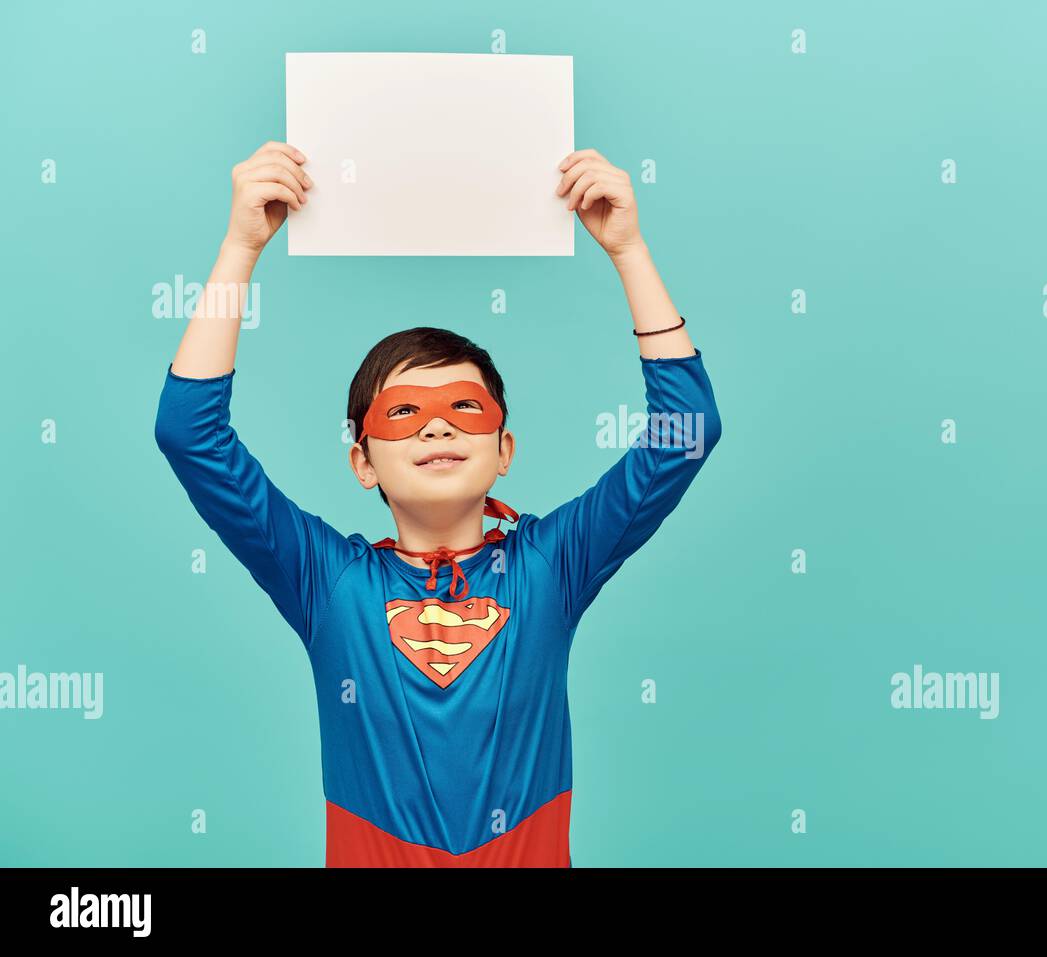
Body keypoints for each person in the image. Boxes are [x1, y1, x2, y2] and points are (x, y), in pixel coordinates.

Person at [153, 140, 722, 866]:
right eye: (403, 412)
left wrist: (629, 250)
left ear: (504, 451)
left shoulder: (552, 564)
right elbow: (190, 435)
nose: (437, 424)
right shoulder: (331, 582)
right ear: (362, 461)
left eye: (464, 406)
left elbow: (687, 432)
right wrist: (239, 246)